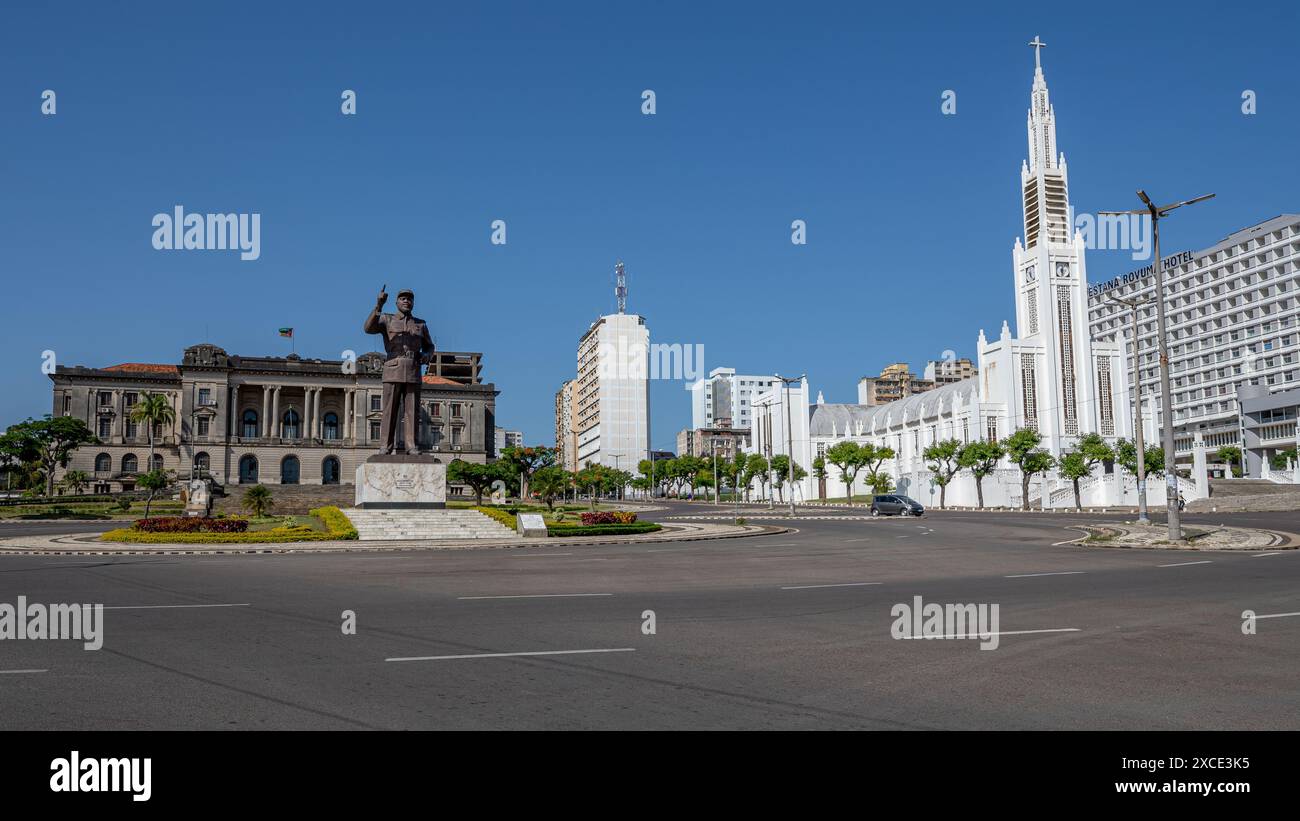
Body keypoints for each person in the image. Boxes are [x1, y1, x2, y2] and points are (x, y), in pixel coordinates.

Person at [363, 286, 435, 455]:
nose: (406, 301)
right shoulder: (386, 319)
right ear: (396, 302)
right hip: (393, 367)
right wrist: (378, 305)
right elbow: (368, 328)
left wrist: (427, 355)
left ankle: (411, 446)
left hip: (413, 368)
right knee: (389, 410)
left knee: (412, 411)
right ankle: (385, 446)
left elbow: (430, 345)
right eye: (403, 298)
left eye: (409, 299)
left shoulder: (420, 324)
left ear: (413, 303)